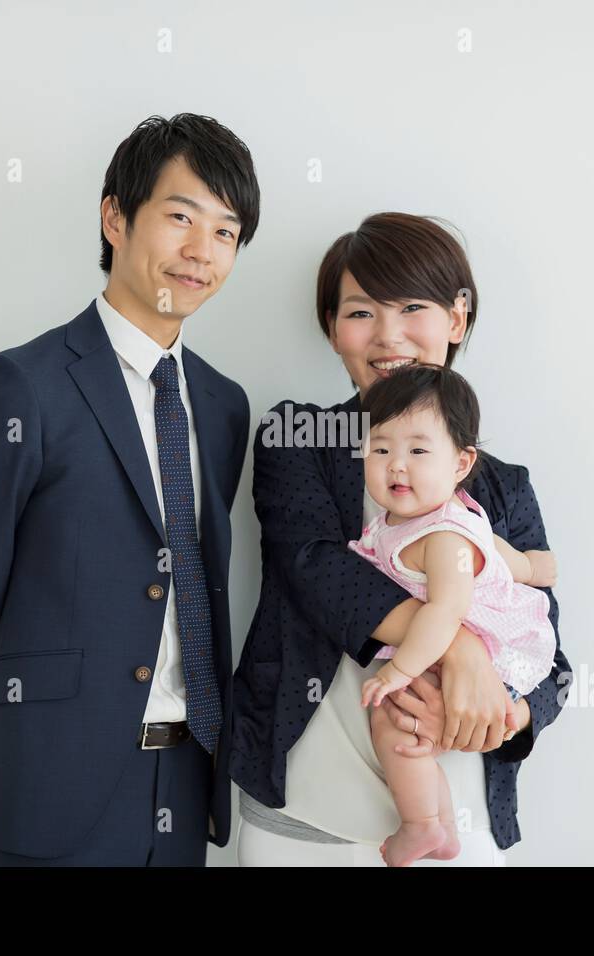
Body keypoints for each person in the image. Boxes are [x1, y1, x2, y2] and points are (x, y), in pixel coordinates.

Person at [0, 113, 258, 865]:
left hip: (187, 780)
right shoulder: (23, 386)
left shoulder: (224, 404)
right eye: (180, 218)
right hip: (46, 782)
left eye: (227, 233)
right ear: (115, 217)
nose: (202, 252)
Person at [230, 211, 572, 866]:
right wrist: (463, 645)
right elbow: (316, 569)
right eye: (360, 312)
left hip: (460, 825)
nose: (388, 336)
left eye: (413, 306)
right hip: (303, 824)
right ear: (333, 329)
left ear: (457, 319)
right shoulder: (297, 436)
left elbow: (552, 664)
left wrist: (508, 712)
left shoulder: (501, 485)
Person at [351, 363, 559, 866]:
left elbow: (446, 610)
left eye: (418, 451)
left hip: (498, 655)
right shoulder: (417, 519)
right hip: (467, 647)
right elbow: (508, 556)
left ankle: (424, 824)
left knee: (393, 718)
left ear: (462, 463)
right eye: (381, 449)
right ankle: (438, 828)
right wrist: (534, 565)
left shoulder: (443, 535)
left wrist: (398, 670)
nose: (396, 465)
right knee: (411, 730)